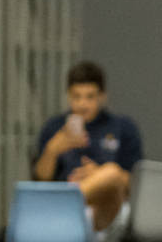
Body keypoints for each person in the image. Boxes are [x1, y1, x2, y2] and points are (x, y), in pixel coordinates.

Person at [33, 62, 142, 231]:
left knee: (112, 171)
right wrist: (52, 151)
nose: (83, 104)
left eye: (90, 97)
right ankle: (68, 205)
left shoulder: (122, 127)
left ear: (102, 97)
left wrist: (99, 175)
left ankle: (65, 206)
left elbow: (135, 182)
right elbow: (40, 181)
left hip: (105, 207)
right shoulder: (54, 128)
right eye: (76, 97)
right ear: (68, 96)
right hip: (61, 196)